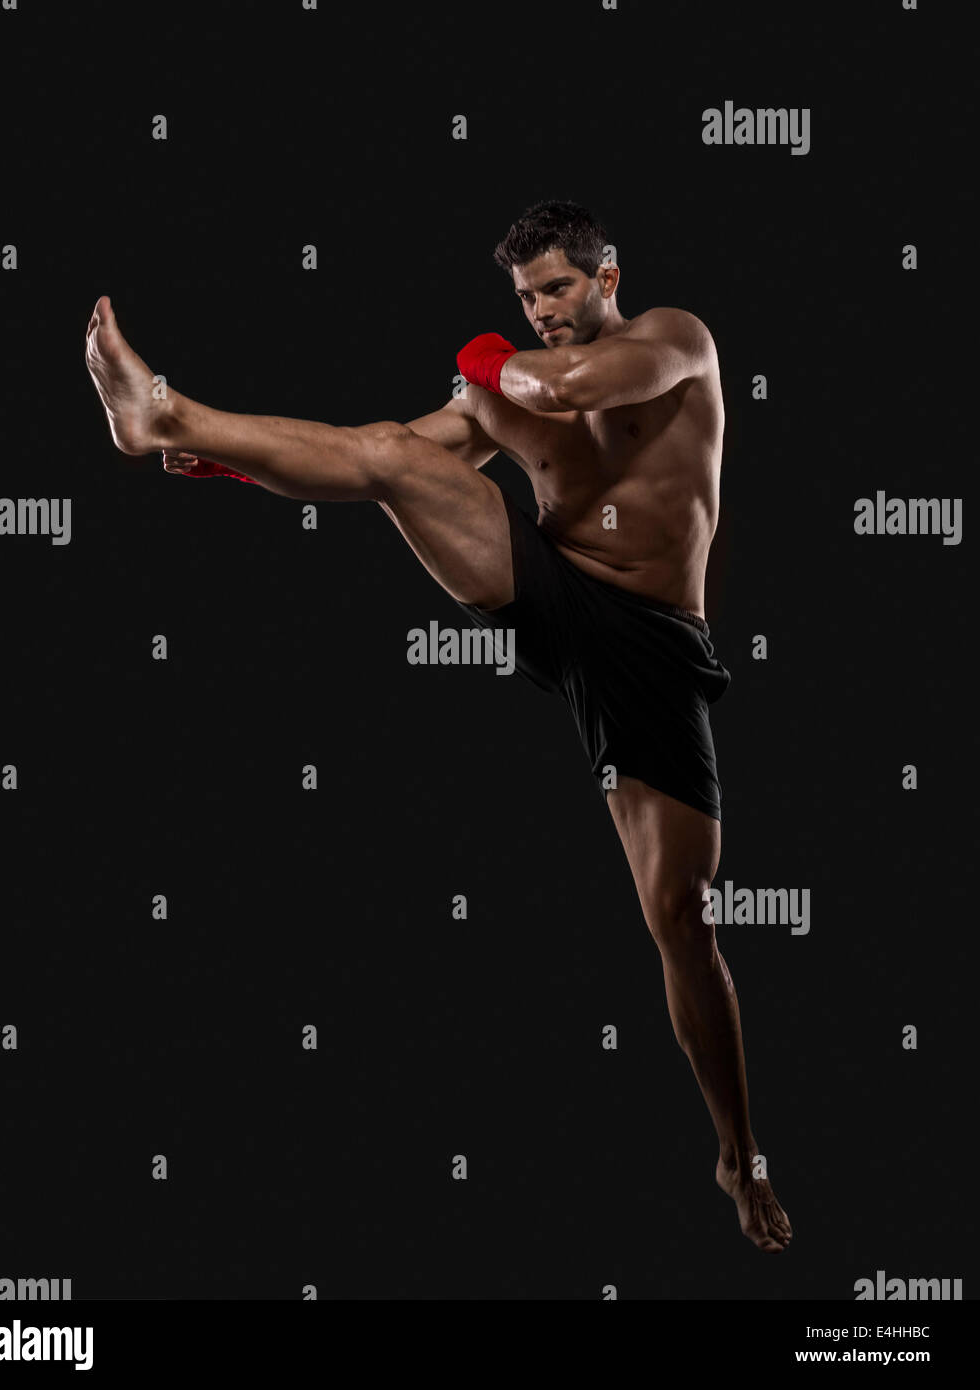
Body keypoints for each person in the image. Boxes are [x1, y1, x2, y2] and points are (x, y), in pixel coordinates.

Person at [85, 199, 791, 1253]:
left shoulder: (673, 341)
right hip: (555, 592)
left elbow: (568, 386)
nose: (541, 311)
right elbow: (382, 450)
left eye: (556, 287)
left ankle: (738, 1154)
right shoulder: (512, 374)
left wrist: (482, 356)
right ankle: (165, 412)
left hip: (652, 644)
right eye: (523, 298)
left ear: (606, 275)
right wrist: (233, 460)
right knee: (392, 462)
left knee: (680, 913)